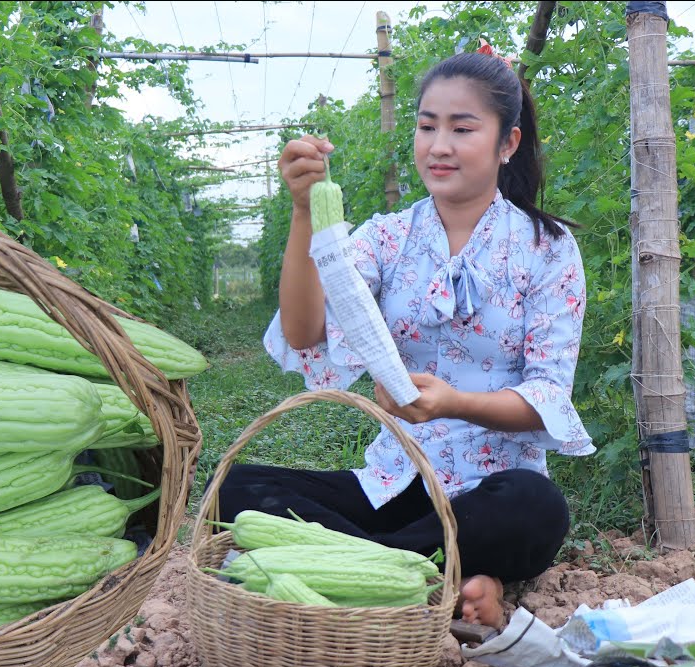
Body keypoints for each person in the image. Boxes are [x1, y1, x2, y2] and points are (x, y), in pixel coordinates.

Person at [216, 45, 595, 630]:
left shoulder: (546, 249)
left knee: (535, 509)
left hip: (488, 491)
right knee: (238, 487)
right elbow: (304, 329)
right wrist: (302, 212)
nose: (439, 146)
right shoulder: (387, 238)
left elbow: (548, 395)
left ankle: (358, 568)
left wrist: (453, 402)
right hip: (397, 481)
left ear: (507, 143)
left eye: (462, 128)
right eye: (427, 126)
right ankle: (436, 574)